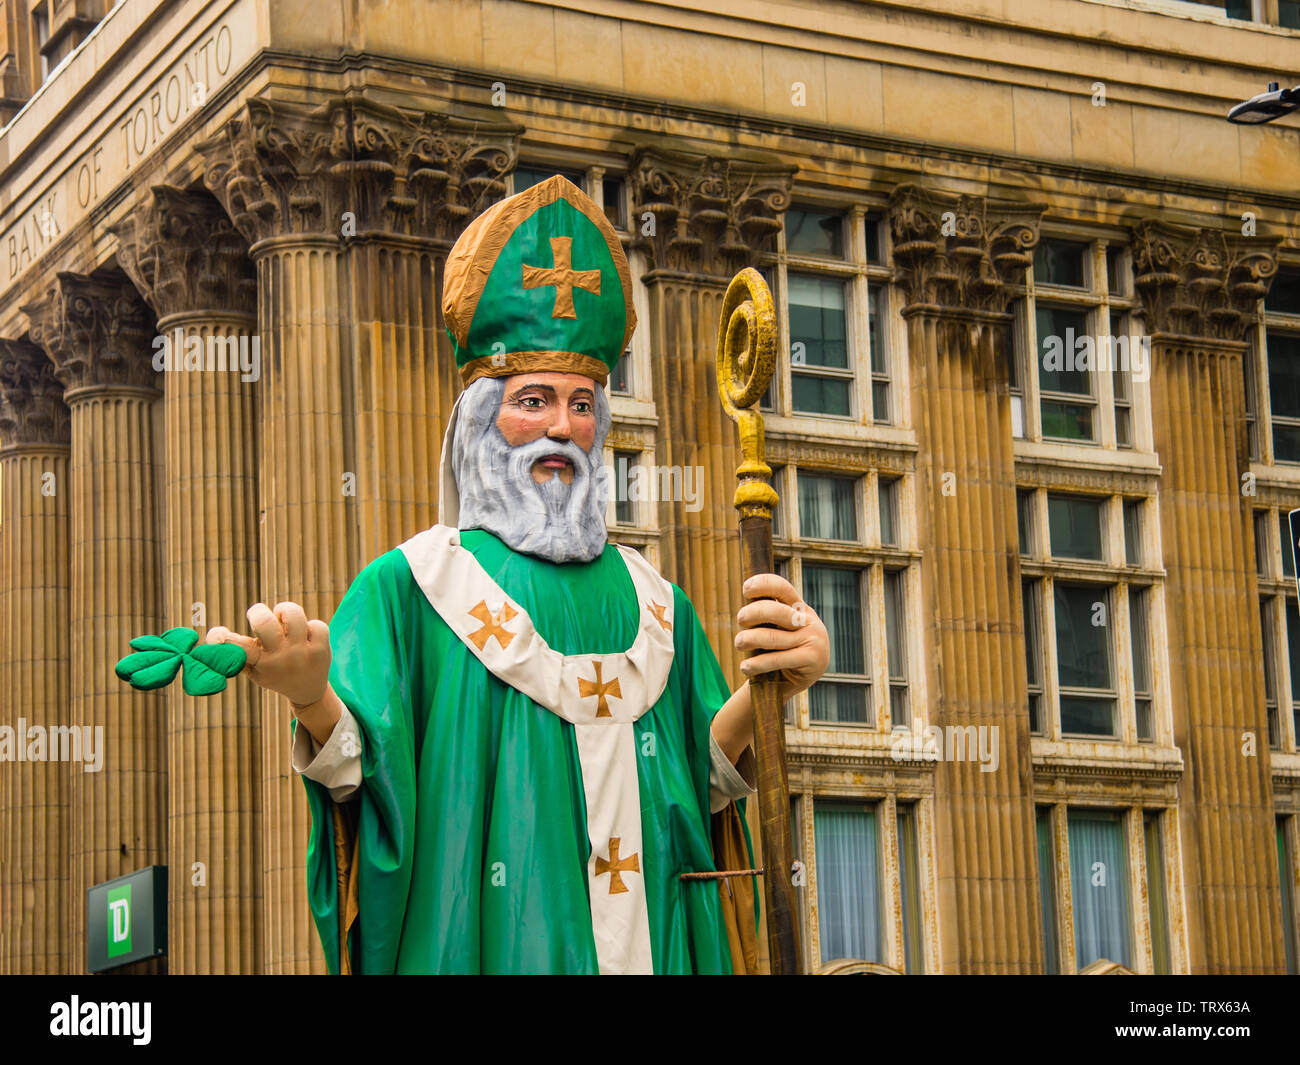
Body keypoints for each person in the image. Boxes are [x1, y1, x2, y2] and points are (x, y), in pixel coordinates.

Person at [206, 176, 829, 974]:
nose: (561, 427)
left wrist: (776, 680)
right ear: (479, 416)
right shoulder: (410, 588)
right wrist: (310, 696)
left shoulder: (657, 601)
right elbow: (367, 778)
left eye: (580, 403)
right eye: (532, 400)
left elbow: (698, 784)